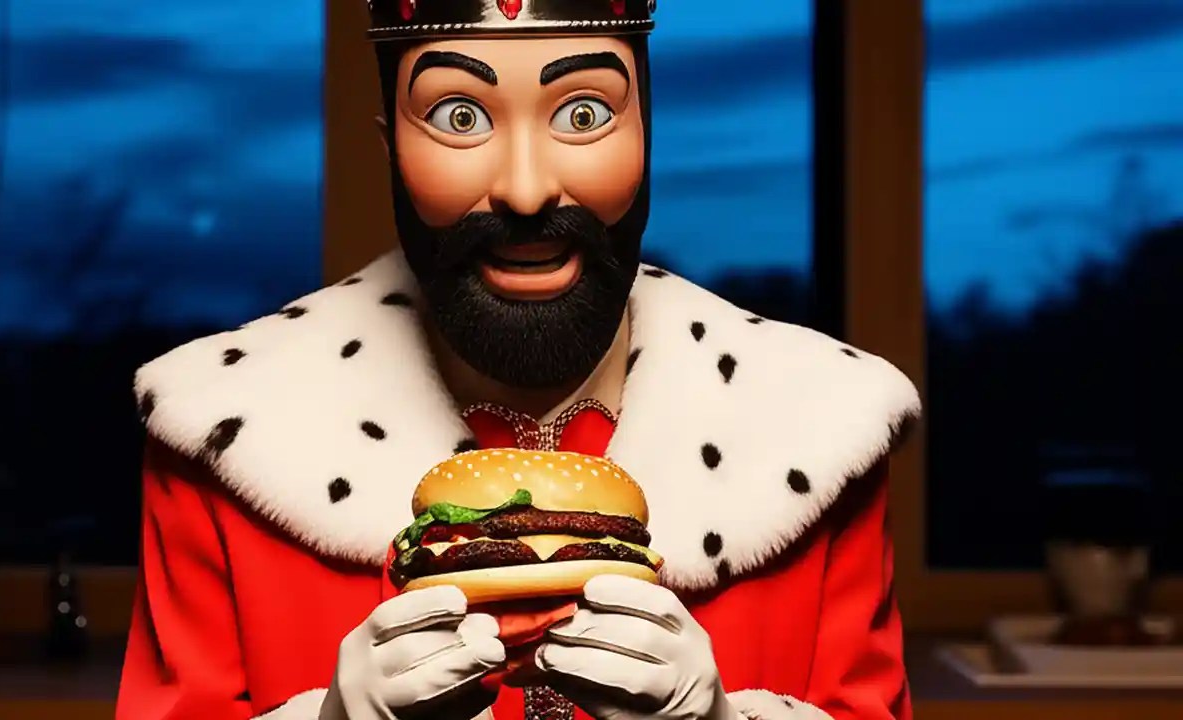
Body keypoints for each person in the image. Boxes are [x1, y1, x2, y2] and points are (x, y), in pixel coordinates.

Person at [115, 2, 921, 719]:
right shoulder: (221, 438)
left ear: (649, 135)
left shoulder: (819, 430)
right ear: (390, 147)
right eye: (460, 117)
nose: (528, 188)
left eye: (582, 113)